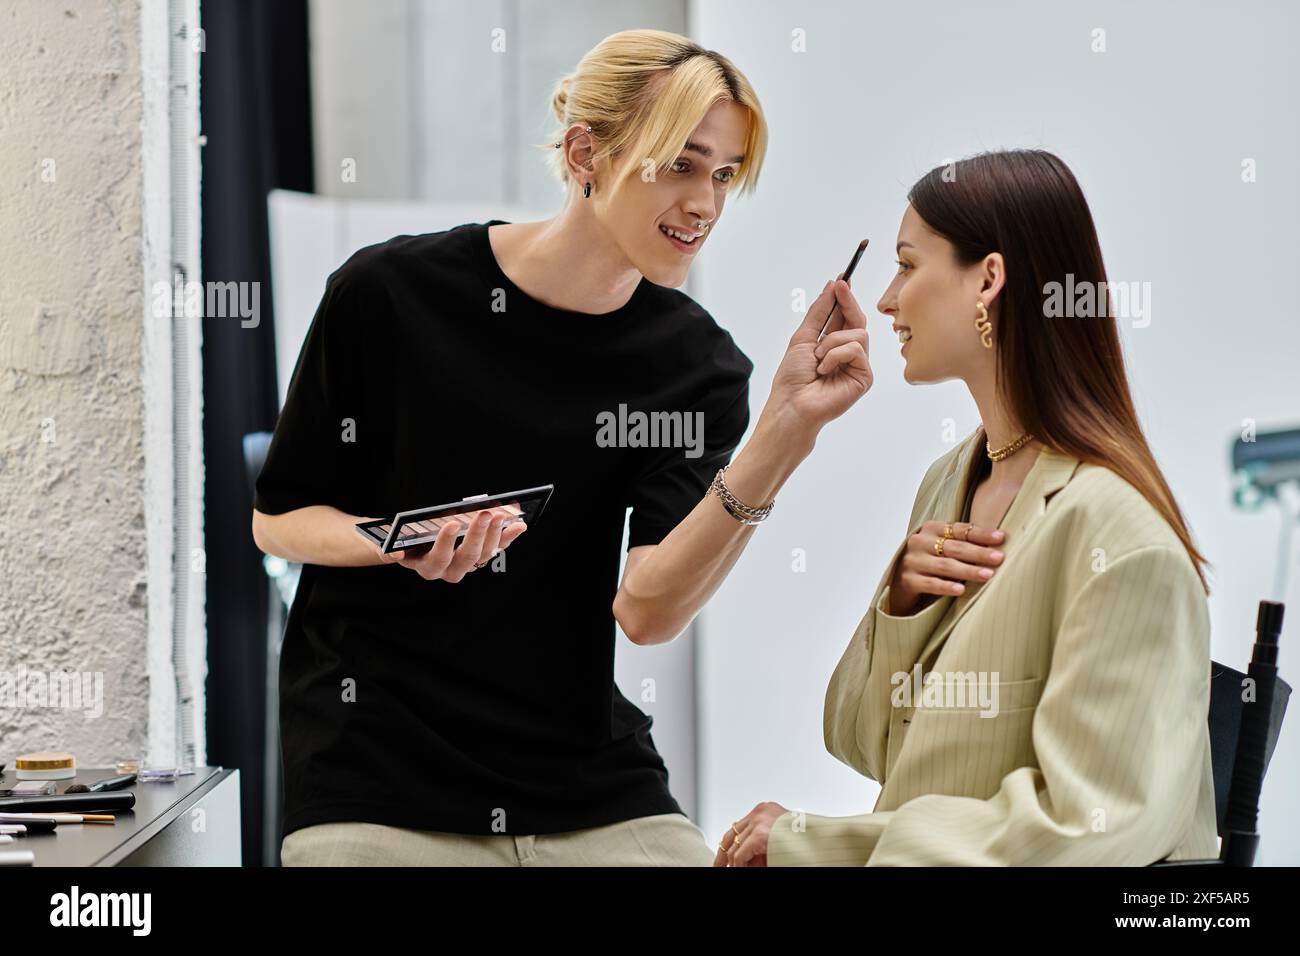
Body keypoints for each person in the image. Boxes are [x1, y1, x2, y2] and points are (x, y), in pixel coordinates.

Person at [253, 29, 873, 866]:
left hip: (589, 778)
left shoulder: (696, 366)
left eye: (724, 176)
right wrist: (396, 544)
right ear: (589, 151)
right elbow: (279, 519)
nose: (706, 204)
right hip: (380, 773)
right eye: (681, 164)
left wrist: (785, 432)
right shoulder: (388, 294)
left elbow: (648, 610)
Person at [717, 149, 1220, 867]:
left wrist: (816, 845)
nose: (886, 300)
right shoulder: (950, 480)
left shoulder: (1119, 536)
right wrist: (901, 604)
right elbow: (866, 743)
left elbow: (1087, 829)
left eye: (907, 265)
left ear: (987, 279)